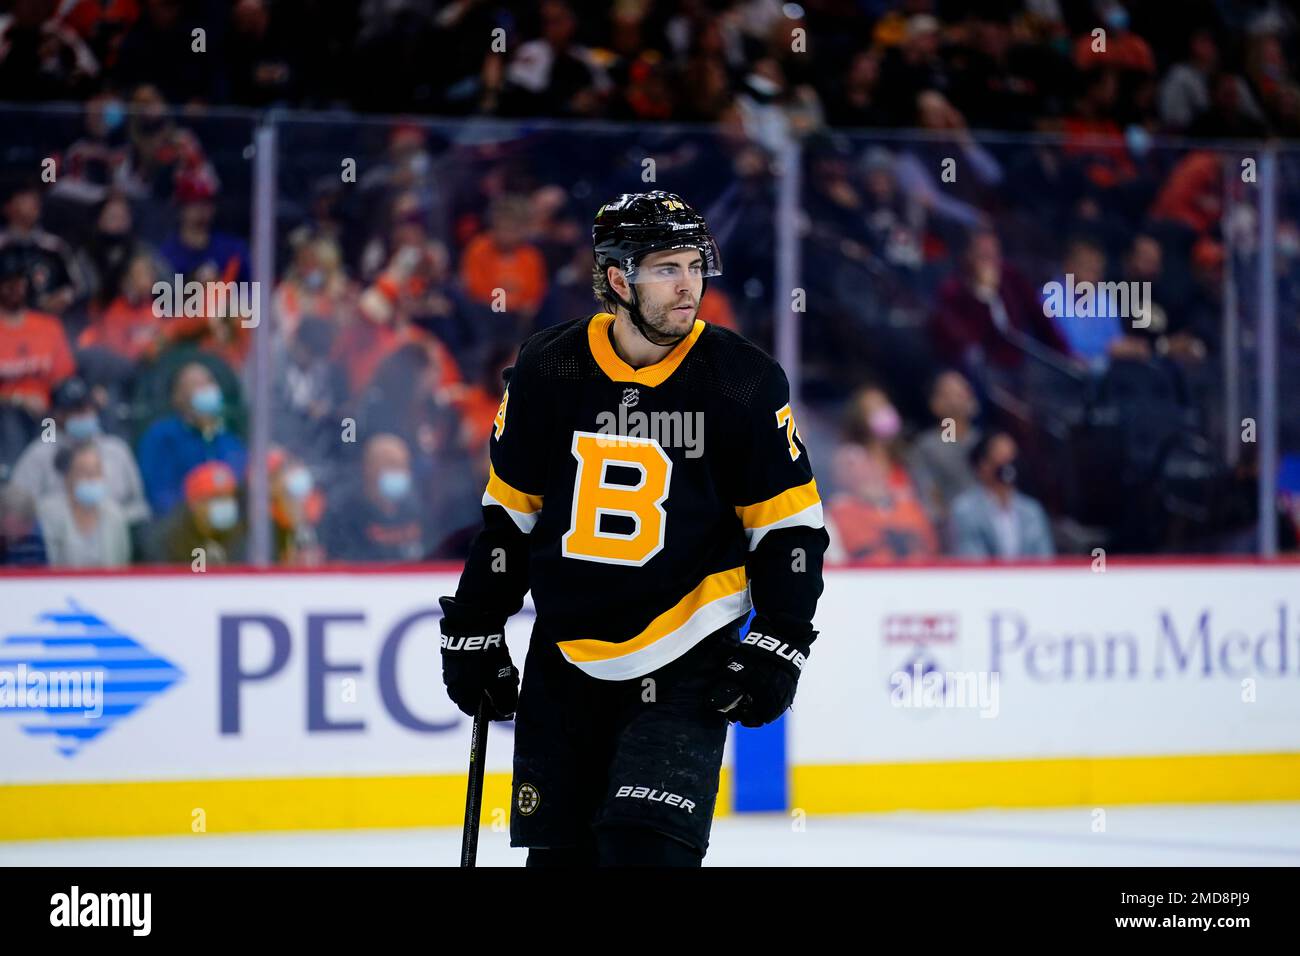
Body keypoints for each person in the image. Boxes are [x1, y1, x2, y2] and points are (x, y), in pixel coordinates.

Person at [438, 190, 828, 867]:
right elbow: (509, 523)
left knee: (643, 853)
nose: (690, 286)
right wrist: (474, 625)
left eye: (695, 266)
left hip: (684, 656)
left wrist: (780, 638)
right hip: (565, 660)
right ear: (618, 280)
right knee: (562, 861)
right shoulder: (548, 367)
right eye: (667, 269)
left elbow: (790, 531)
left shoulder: (740, 382)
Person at [10, 375, 150, 525]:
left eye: (88, 408)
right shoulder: (40, 454)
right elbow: (15, 511)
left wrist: (113, 520)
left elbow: (140, 507)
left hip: (113, 535)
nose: (85, 414)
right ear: (58, 415)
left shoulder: (117, 450)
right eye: (76, 410)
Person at [136, 361, 247, 516]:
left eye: (209, 381)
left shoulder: (229, 439)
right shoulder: (162, 437)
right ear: (178, 397)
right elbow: (160, 495)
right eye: (196, 384)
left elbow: (242, 485)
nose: (207, 389)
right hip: (182, 528)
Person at [949, 430, 1054, 559]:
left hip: (1029, 578)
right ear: (983, 465)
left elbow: (1045, 559)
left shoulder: (1032, 510)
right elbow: (972, 559)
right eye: (1001, 457)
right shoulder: (965, 510)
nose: (1008, 465)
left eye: (1012, 457)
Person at [36, 440, 131, 568]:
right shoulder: (48, 513)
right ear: (67, 477)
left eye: (96, 471)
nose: (92, 478)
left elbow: (122, 564)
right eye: (83, 472)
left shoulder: (114, 514)